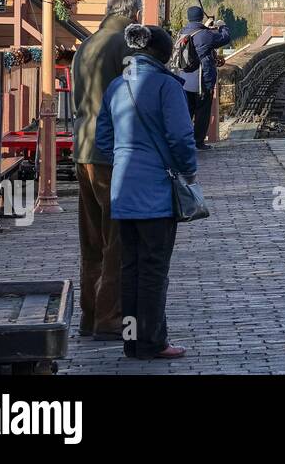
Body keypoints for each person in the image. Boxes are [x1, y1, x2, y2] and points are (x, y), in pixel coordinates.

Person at [95, 23, 197, 360]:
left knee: (129, 269)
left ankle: (130, 340)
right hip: (155, 193)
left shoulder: (114, 86)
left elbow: (104, 142)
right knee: (154, 271)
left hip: (123, 192)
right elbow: (182, 138)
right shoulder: (167, 86)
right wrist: (188, 171)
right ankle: (152, 342)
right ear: (163, 55)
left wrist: (125, 160)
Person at [69, 0, 142, 340]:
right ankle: (109, 316)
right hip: (111, 151)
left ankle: (88, 313)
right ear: (135, 14)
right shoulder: (126, 45)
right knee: (118, 235)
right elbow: (134, 98)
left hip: (82, 147)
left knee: (91, 238)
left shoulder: (87, 44)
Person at [177, 6, 229, 151]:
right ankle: (198, 141)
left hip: (185, 79)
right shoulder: (205, 35)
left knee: (188, 111)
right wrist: (222, 25)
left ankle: (185, 140)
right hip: (202, 80)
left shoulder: (182, 32)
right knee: (203, 111)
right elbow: (224, 38)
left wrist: (205, 27)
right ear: (201, 17)